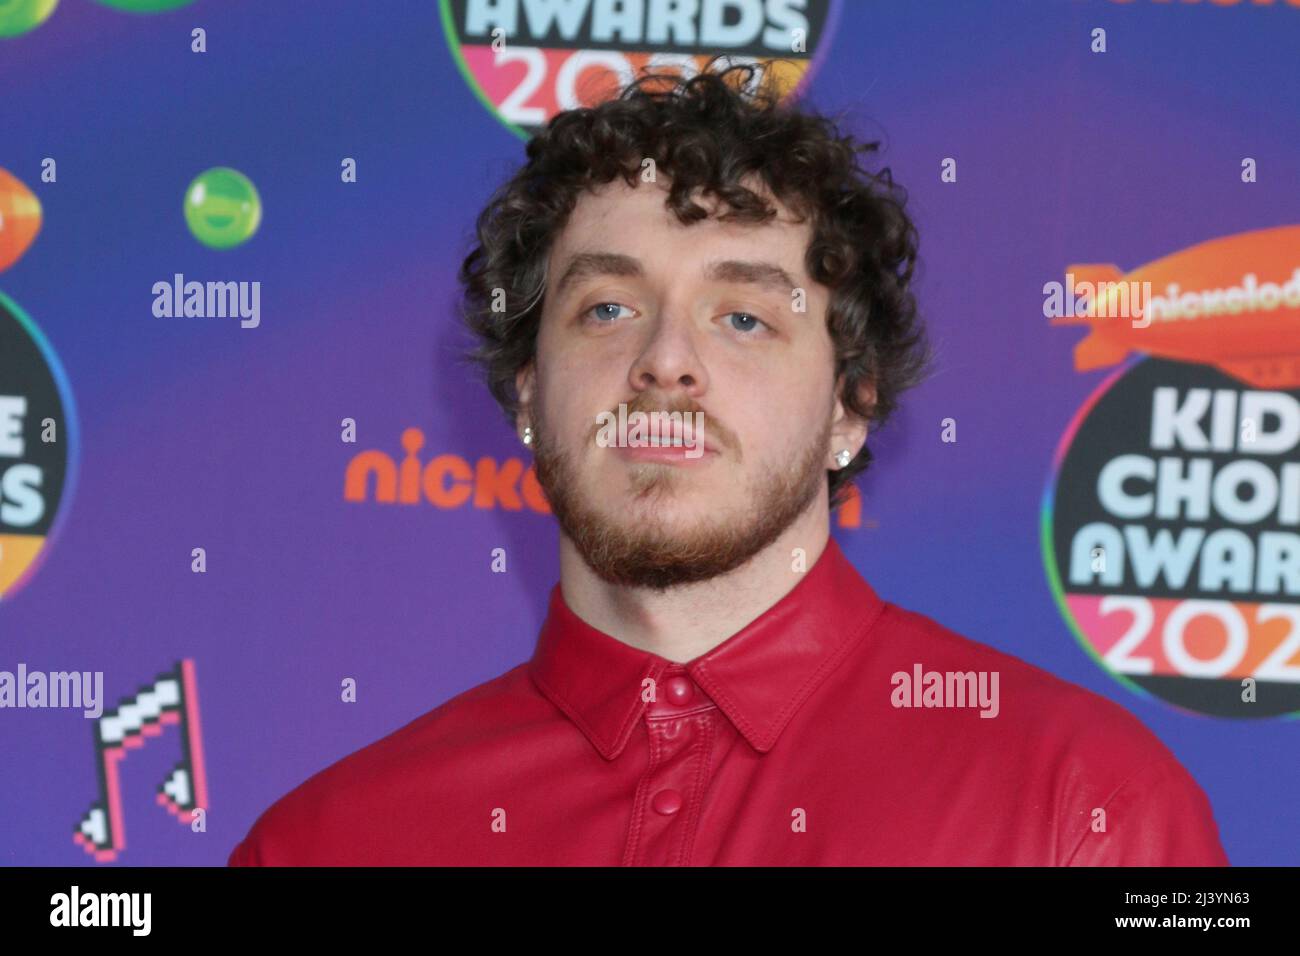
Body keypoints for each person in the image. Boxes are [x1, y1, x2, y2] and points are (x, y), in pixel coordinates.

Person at [228, 60, 1227, 866]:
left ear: (850, 405)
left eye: (745, 316)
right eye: (606, 308)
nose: (666, 359)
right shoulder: (325, 842)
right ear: (528, 392)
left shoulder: (1086, 807)